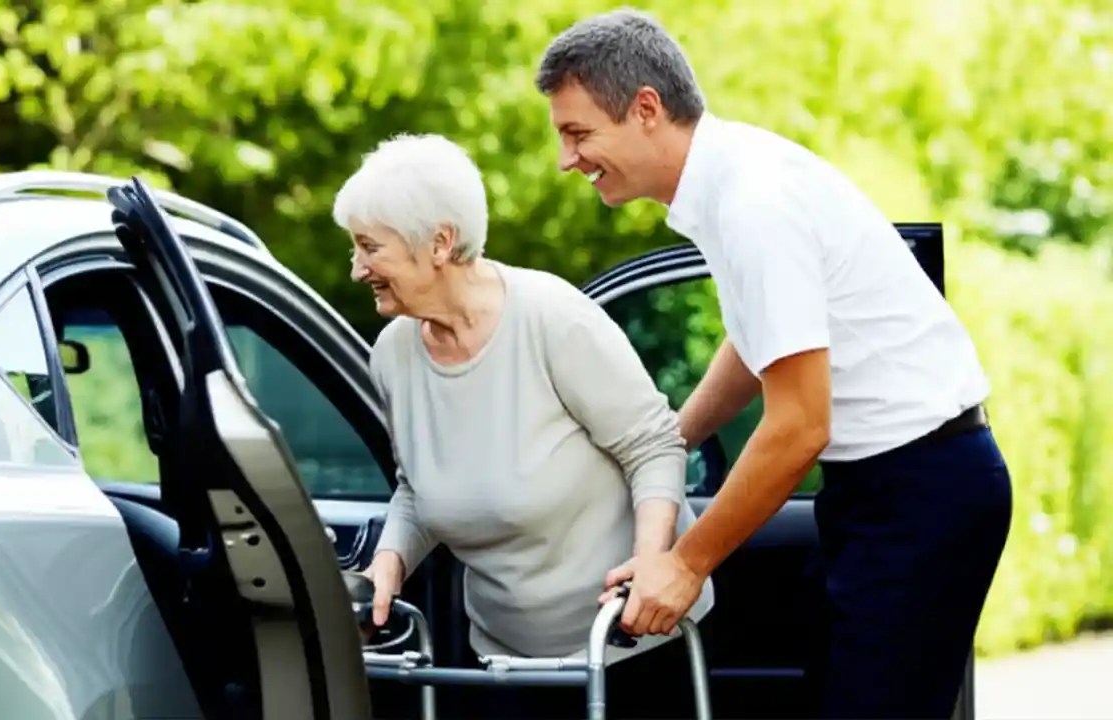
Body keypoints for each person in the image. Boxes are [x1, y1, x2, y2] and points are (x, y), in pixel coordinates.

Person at [534, 9, 1013, 720]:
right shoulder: (731, 184)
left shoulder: (753, 203)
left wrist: (687, 563)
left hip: (921, 493)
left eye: (578, 133)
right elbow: (759, 345)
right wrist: (672, 441)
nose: (567, 158)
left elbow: (797, 427)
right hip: (880, 491)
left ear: (645, 109)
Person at [333, 132, 714, 719]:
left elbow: (654, 446)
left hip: (626, 648)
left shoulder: (552, 320)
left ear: (439, 243)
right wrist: (386, 568)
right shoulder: (394, 354)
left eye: (369, 248)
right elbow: (418, 486)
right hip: (506, 664)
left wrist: (650, 570)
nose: (357, 269)